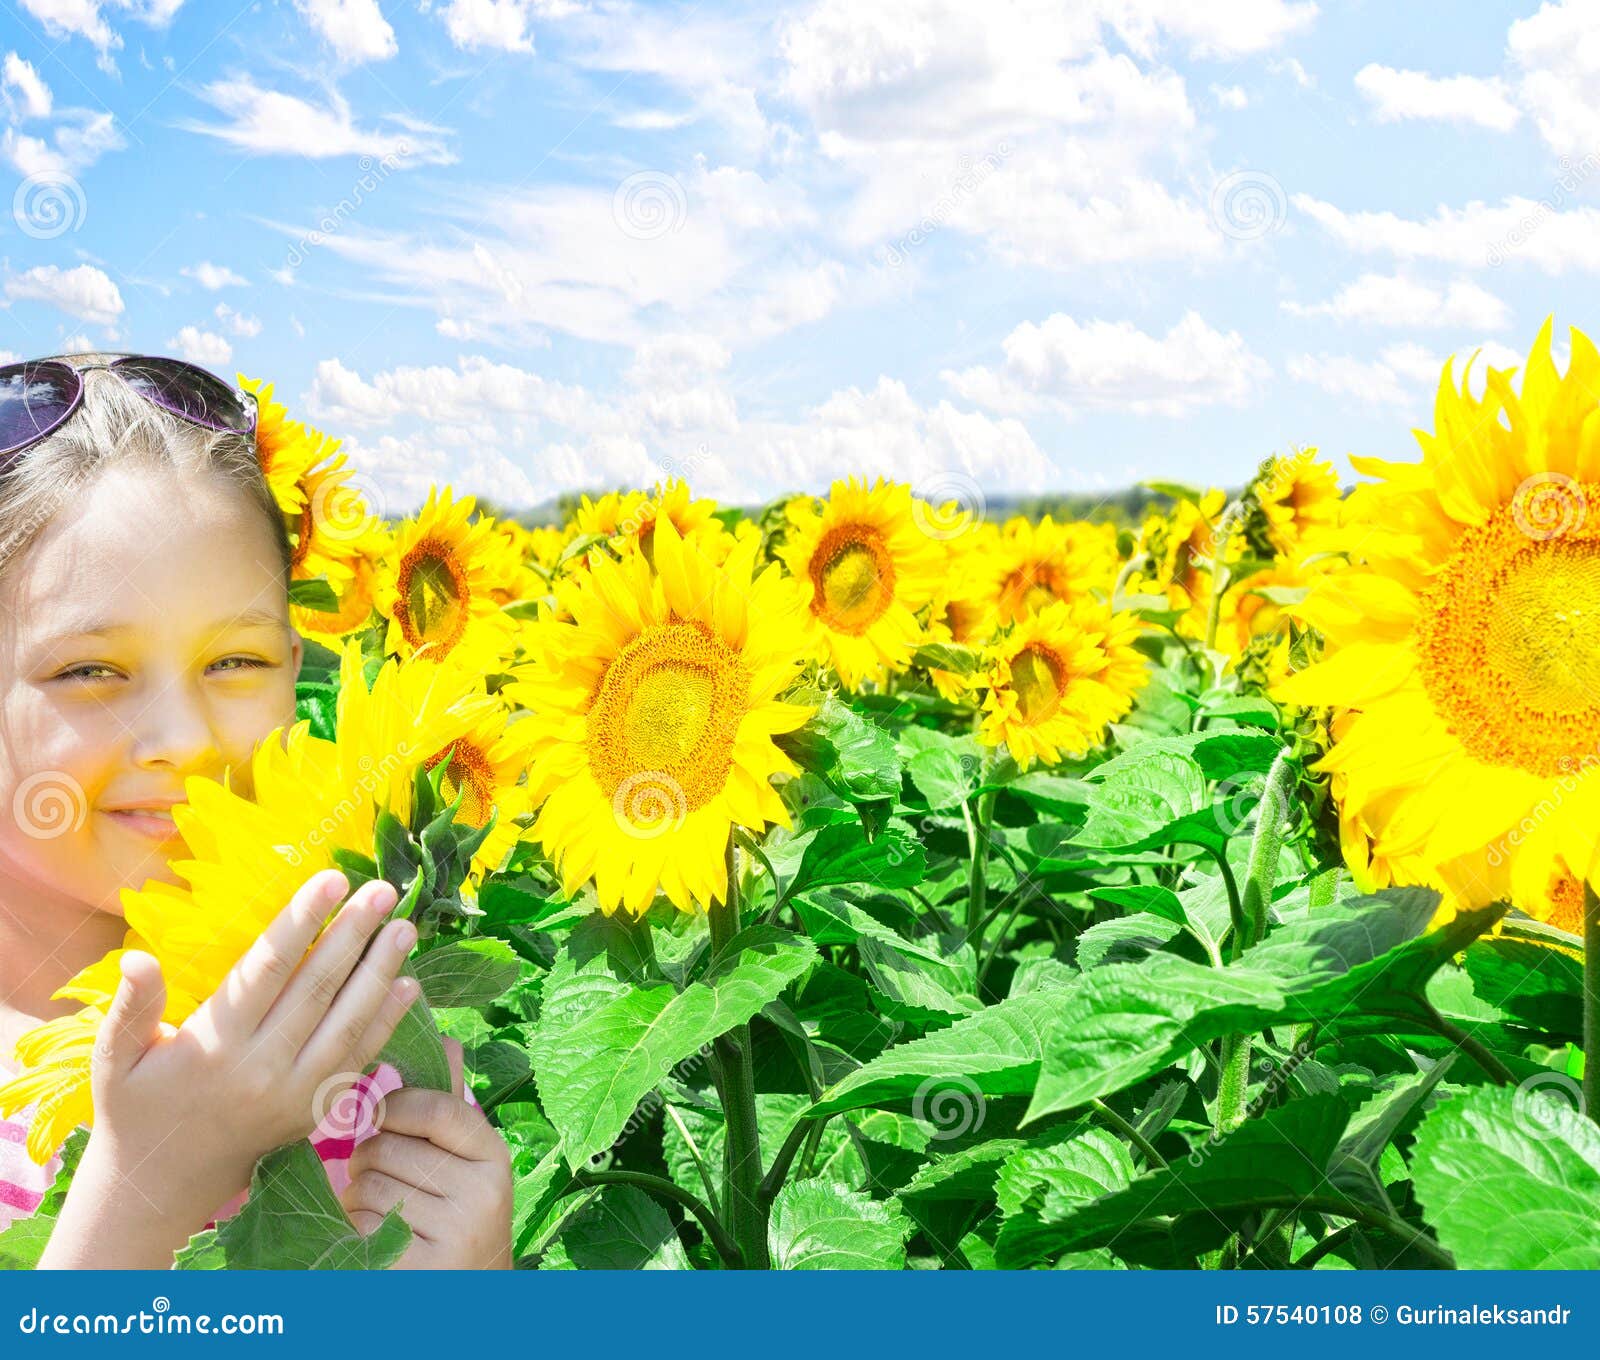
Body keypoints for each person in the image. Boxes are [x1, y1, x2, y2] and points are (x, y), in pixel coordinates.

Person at [0, 353, 512, 1268]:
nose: (184, 737)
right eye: (89, 671)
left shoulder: (359, 1036)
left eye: (235, 661)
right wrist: (148, 1187)